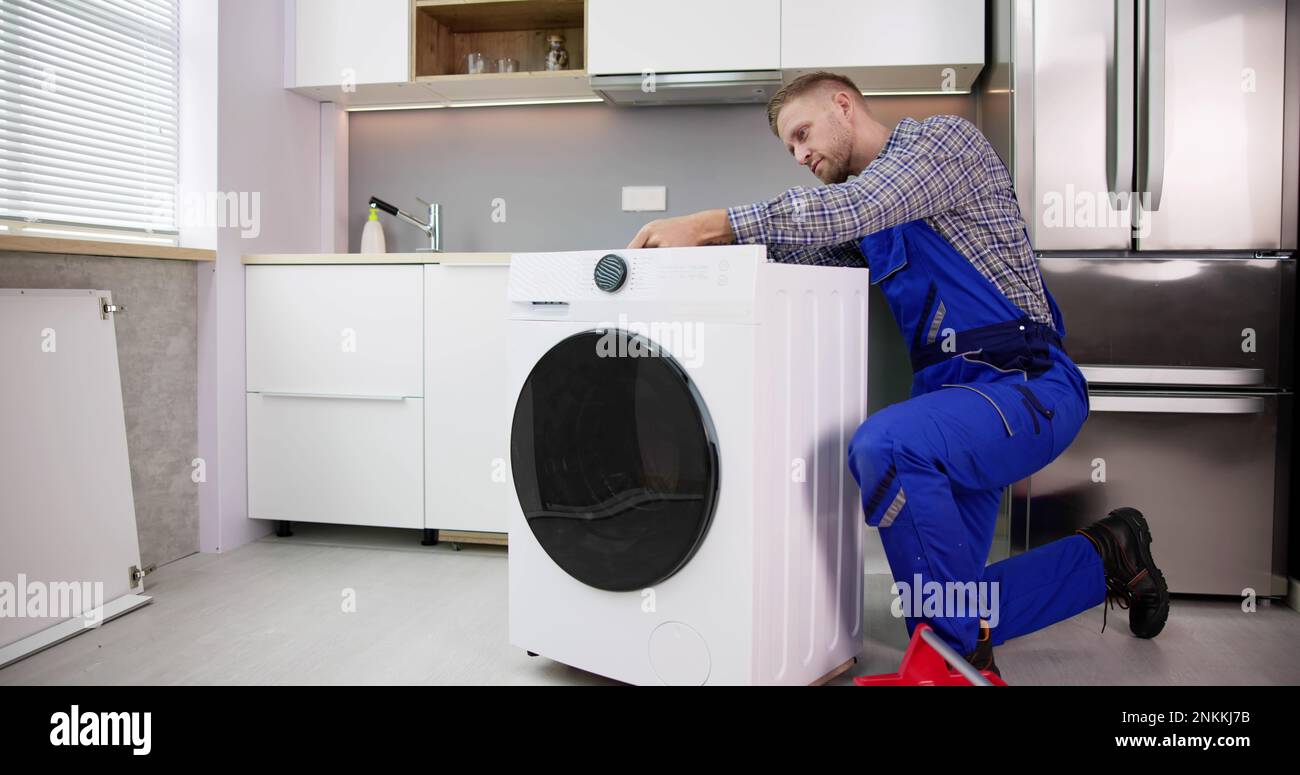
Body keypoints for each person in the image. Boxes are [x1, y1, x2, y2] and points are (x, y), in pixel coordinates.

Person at [628, 71, 1171, 677]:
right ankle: (1109, 556)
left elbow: (855, 207)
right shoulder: (871, 219)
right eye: (790, 148)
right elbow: (807, 244)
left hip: (1026, 386)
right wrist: (702, 258)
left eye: (803, 133)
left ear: (844, 105)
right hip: (949, 405)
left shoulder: (942, 146)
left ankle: (954, 663)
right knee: (939, 608)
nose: (801, 154)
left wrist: (709, 222)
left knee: (885, 445)